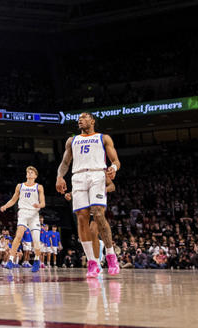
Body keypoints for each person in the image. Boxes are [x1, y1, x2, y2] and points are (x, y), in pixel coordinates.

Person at [56, 112, 121, 278]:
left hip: (97, 174)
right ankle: (92, 262)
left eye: (84, 117)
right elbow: (64, 163)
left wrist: (113, 168)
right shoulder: (72, 140)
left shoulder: (103, 138)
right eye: (79, 118)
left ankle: (110, 254)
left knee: (98, 213)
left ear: (92, 121)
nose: (80, 119)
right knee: (82, 218)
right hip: (78, 176)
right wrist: (60, 176)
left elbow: (115, 161)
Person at [1, 166, 45, 272]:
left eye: (32, 172)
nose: (29, 173)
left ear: (35, 176)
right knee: (18, 235)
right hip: (23, 213)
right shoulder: (20, 186)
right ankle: (10, 260)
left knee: (36, 242)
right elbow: (13, 199)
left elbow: (43, 203)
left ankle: (36, 260)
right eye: (28, 172)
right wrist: (6, 206)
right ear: (26, 175)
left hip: (34, 214)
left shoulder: (39, 187)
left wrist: (38, 205)